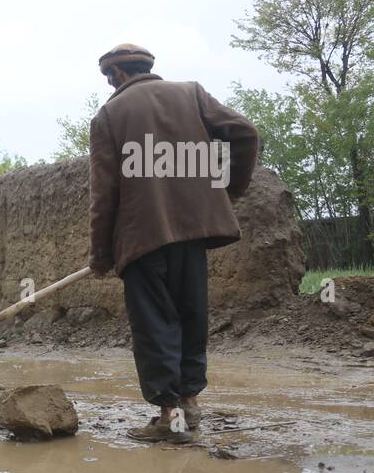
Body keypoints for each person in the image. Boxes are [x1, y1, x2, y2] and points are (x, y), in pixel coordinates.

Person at [88, 44, 260, 443]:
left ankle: (170, 415)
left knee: (155, 325)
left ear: (115, 76)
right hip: (194, 231)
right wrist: (224, 190)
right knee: (190, 315)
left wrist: (100, 254)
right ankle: (190, 403)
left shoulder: (110, 115)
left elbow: (104, 193)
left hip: (142, 238)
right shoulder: (192, 93)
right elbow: (246, 133)